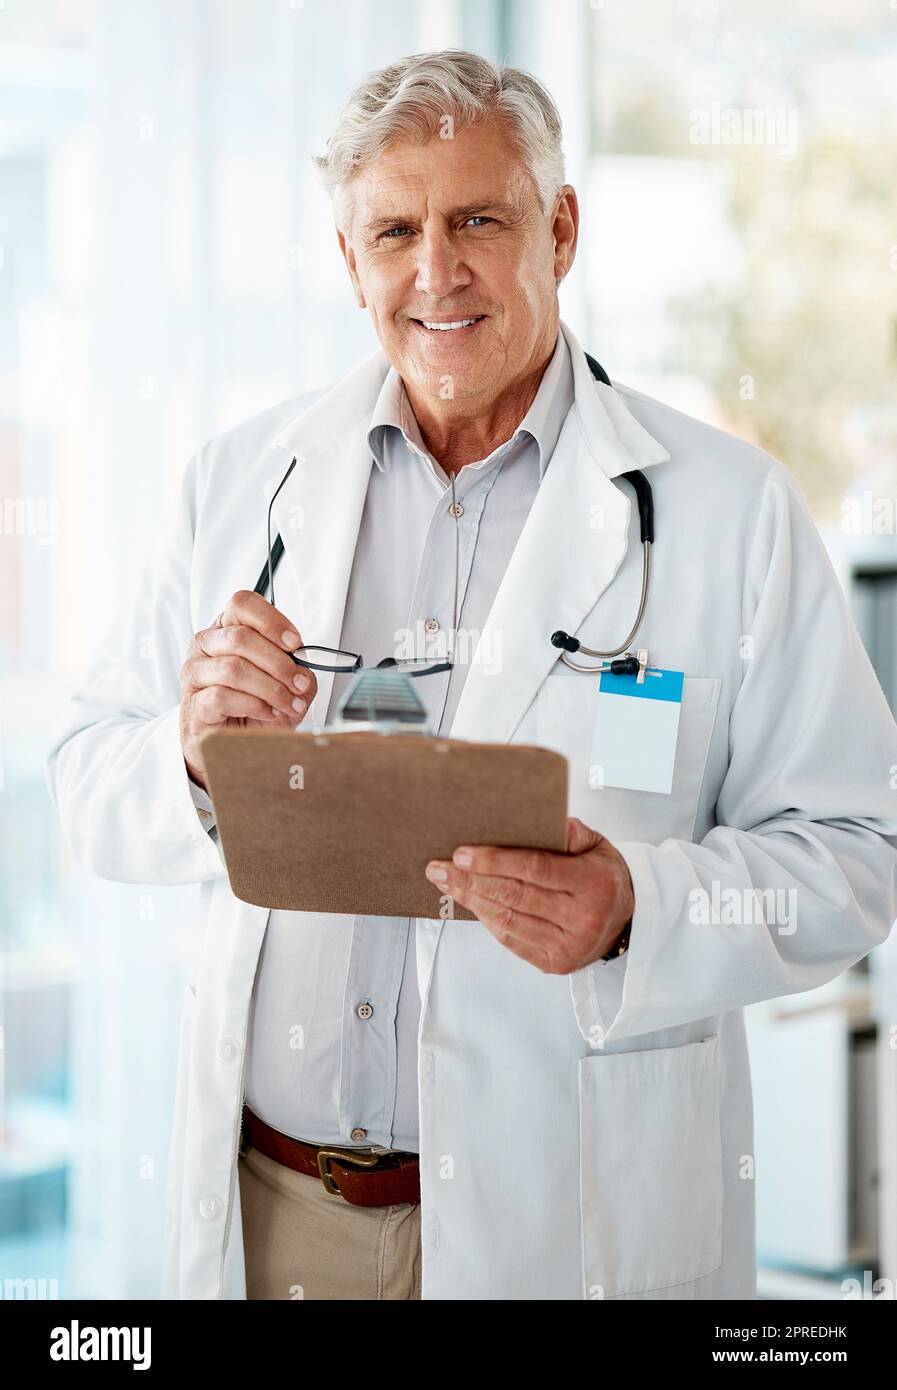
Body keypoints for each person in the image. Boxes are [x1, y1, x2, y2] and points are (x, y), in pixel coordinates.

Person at [47, 49, 897, 1301]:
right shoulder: (240, 486)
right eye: (394, 229)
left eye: (478, 220)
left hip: (564, 1222)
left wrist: (636, 909)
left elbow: (859, 846)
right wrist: (187, 748)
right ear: (350, 265)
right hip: (281, 1214)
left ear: (558, 228)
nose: (435, 272)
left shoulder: (731, 514)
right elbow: (82, 779)